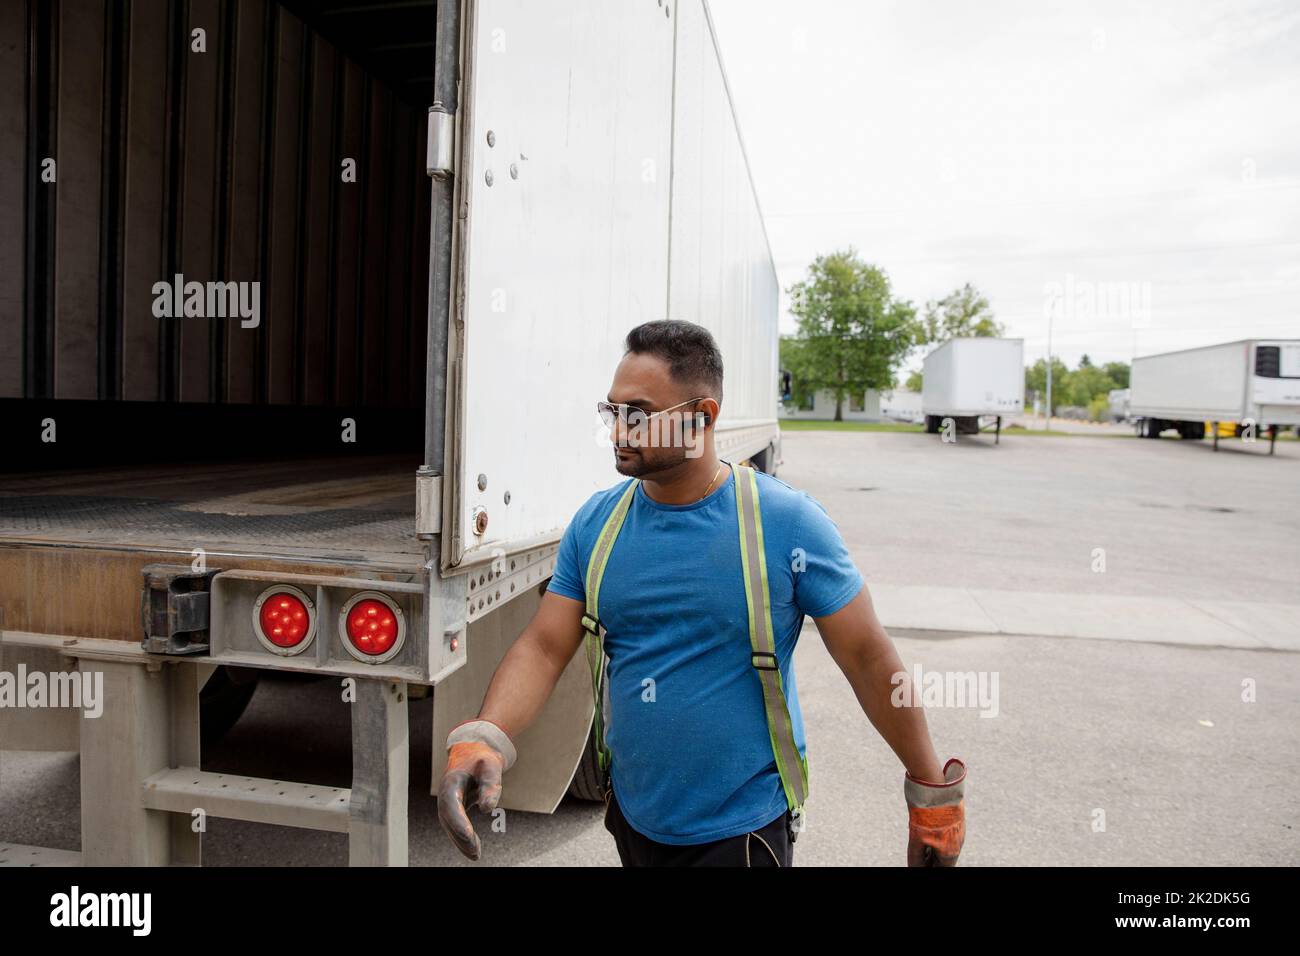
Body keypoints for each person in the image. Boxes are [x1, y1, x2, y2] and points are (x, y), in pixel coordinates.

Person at [437, 319, 966, 866]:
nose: (618, 430)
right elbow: (544, 648)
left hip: (742, 833)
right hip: (634, 818)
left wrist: (933, 793)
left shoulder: (786, 524)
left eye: (637, 415)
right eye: (611, 412)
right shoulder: (597, 525)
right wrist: (487, 735)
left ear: (701, 416)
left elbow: (869, 658)